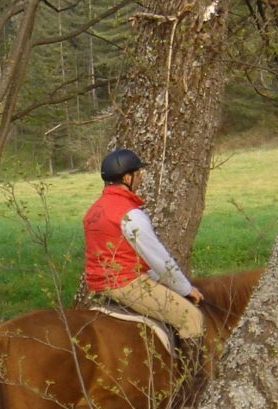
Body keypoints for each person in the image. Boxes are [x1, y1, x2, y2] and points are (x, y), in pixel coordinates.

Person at [82, 148, 206, 359]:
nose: (140, 179)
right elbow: (158, 258)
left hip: (100, 284)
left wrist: (159, 282)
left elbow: (121, 254)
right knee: (191, 317)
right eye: (138, 174)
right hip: (125, 284)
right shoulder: (130, 214)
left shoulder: (94, 210)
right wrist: (185, 289)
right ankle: (194, 382)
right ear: (127, 177)